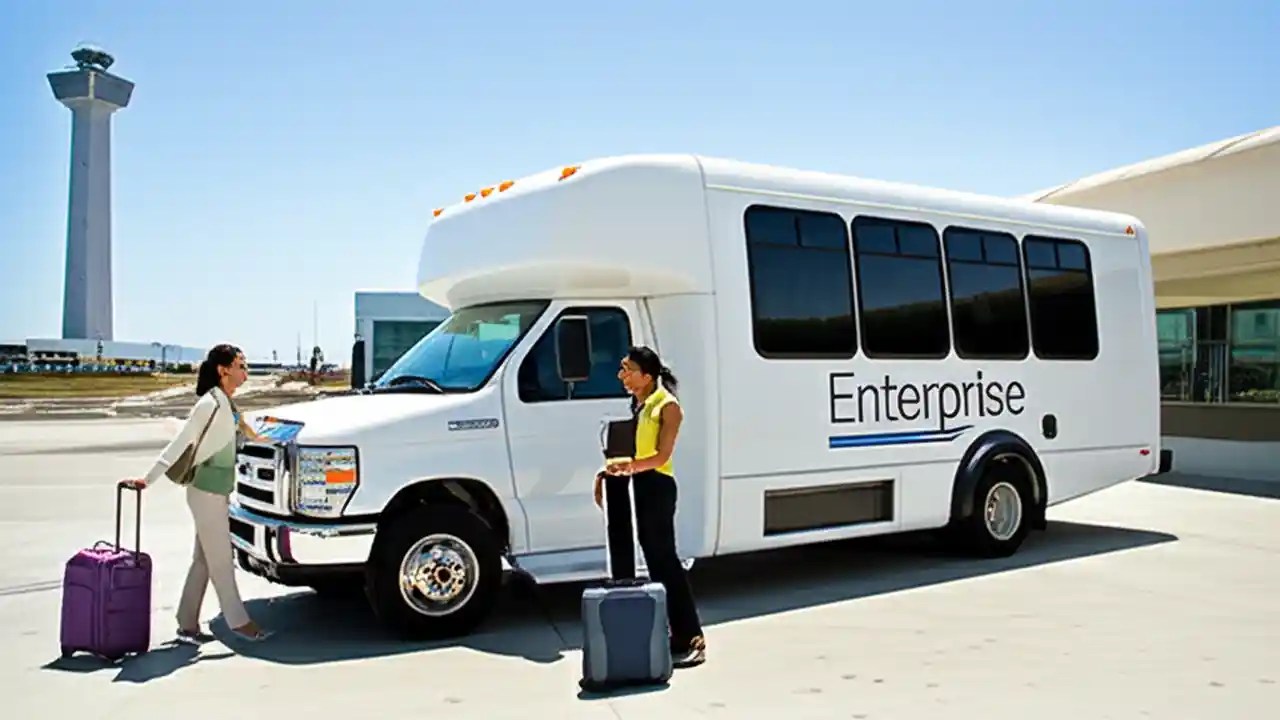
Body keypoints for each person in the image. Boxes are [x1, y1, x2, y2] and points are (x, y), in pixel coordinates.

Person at [124, 344, 272, 642]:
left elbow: (244, 439)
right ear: (223, 370)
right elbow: (180, 443)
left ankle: (186, 622)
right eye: (241, 366)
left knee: (203, 560)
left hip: (216, 491)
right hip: (205, 493)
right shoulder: (209, 405)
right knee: (220, 561)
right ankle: (239, 623)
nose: (246, 372)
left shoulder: (228, 405)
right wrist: (147, 479)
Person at [594, 345, 706, 668]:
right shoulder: (640, 406)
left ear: (647, 375)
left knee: (666, 561)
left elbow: (661, 457)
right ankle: (677, 634)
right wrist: (610, 470)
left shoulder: (668, 407)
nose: (621, 376)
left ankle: (692, 636)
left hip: (658, 487)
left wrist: (627, 467)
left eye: (627, 370)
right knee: (656, 562)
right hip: (642, 486)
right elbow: (634, 452)